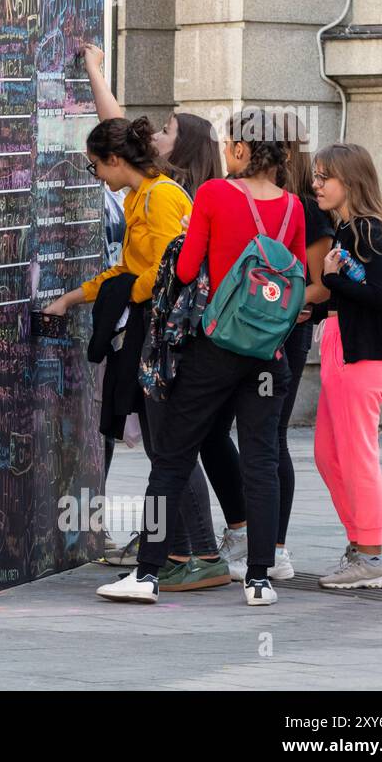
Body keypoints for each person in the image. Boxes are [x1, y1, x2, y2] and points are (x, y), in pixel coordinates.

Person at [96, 112, 305, 606]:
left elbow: (188, 267)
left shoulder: (213, 195)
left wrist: (195, 238)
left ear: (240, 150)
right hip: (267, 355)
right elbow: (294, 280)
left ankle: (146, 576)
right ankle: (258, 579)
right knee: (261, 460)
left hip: (213, 347)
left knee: (170, 458)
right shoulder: (294, 207)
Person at [78, 45, 229, 590]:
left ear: (117, 161)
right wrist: (80, 297)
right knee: (169, 448)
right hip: (155, 331)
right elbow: (135, 267)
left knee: (171, 449)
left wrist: (124, 293)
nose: (96, 175)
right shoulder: (144, 196)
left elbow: (169, 271)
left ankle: (194, 554)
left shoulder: (161, 198)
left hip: (166, 336)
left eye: (96, 165)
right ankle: (187, 553)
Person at [198, 110, 334, 581]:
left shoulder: (303, 208)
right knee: (221, 432)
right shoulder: (259, 199)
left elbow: (314, 285)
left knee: (269, 439)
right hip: (249, 330)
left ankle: (273, 548)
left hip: (281, 333)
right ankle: (246, 532)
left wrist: (280, 306)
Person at [311, 142, 382, 589]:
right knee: (330, 456)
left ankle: (370, 557)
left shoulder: (367, 229)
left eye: (324, 176)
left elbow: (380, 296)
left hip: (361, 356)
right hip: (342, 349)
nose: (316, 185)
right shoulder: (349, 227)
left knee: (357, 458)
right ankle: (360, 546)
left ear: (350, 180)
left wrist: (330, 279)